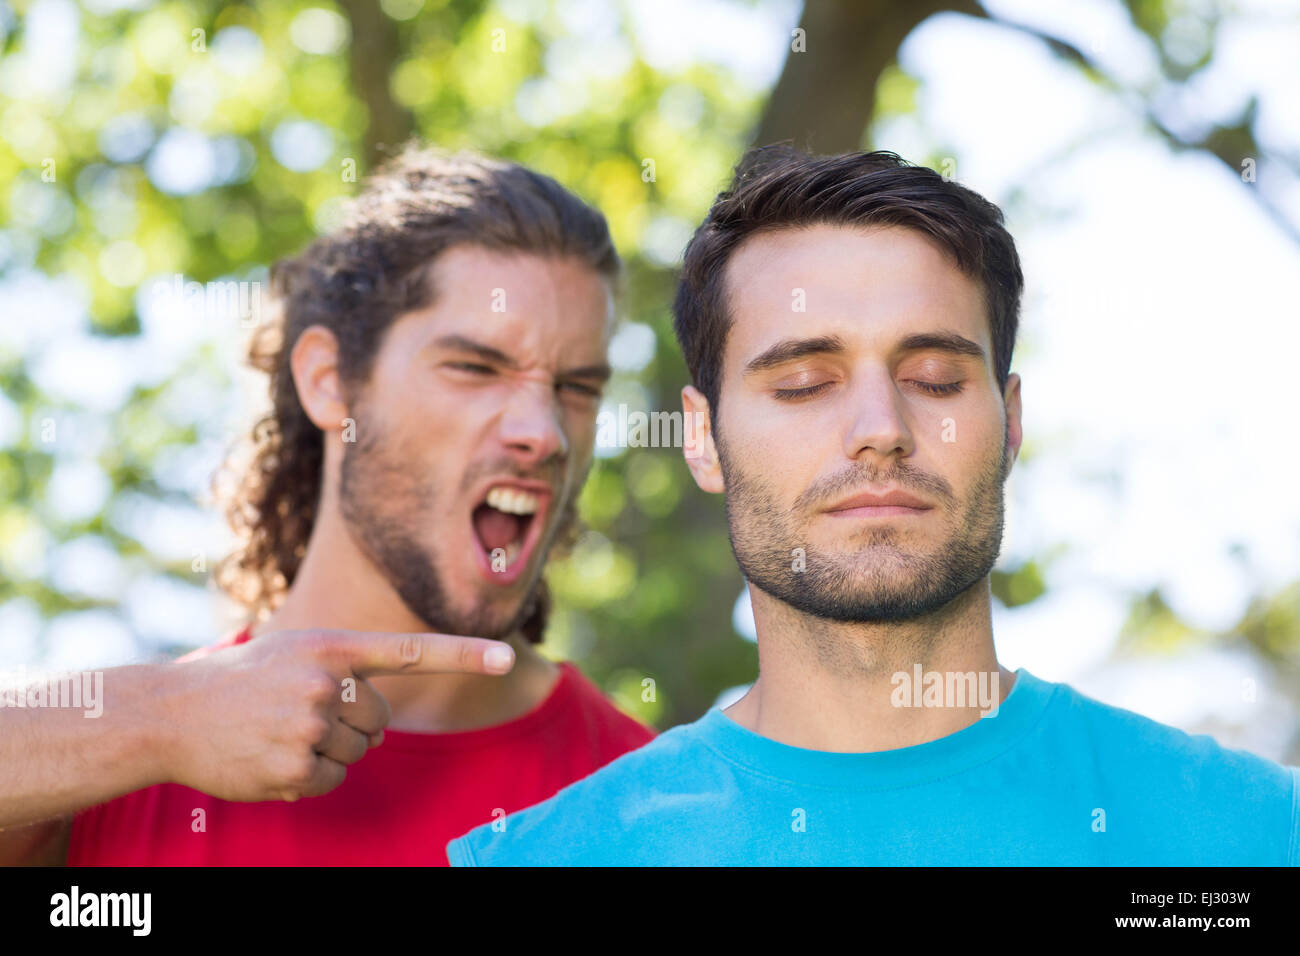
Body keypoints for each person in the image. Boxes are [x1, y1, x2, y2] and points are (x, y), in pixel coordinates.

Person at [446, 145, 1299, 866]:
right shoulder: (540, 857)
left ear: (1011, 423)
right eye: (805, 383)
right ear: (701, 439)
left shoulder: (1252, 836)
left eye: (935, 379)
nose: (880, 430)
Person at [0, 143, 654, 865]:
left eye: (578, 388)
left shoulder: (647, 805)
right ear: (329, 381)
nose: (545, 432)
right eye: (475, 368)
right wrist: (165, 716)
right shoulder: (109, 774)